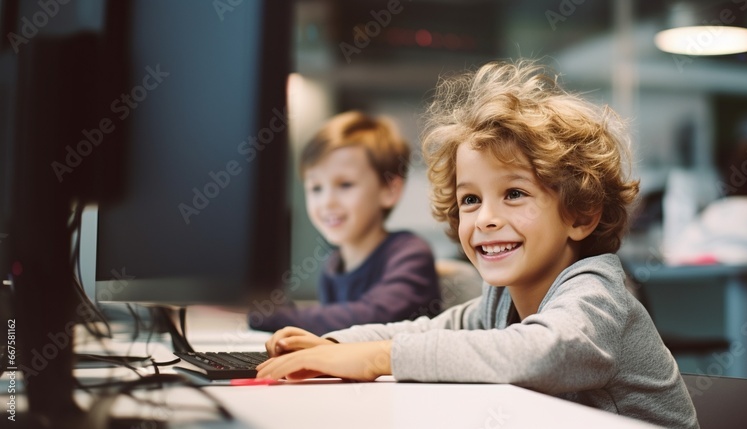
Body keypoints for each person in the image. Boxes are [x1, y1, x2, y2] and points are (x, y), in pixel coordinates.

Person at [255, 60, 699, 428]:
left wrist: (377, 358)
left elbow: (544, 355)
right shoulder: (500, 301)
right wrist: (330, 346)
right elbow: (424, 331)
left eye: (515, 193)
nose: (485, 218)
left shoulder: (597, 293)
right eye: (471, 199)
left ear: (580, 215)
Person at [248, 111, 441, 335]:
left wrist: (274, 316)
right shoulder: (333, 266)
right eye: (316, 188)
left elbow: (372, 316)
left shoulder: (410, 253)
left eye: (345, 184)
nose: (327, 202)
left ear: (390, 189)